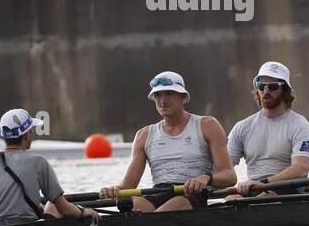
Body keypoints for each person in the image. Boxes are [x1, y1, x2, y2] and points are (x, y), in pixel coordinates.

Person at [100, 71, 235, 211]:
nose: (163, 100)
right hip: (157, 193)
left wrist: (206, 178)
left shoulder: (207, 125)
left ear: (183, 97)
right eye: (158, 95)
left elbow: (229, 176)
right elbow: (127, 186)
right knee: (132, 207)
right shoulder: (143, 135)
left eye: (169, 94)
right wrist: (115, 190)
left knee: (155, 217)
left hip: (191, 193)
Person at [0, 108, 99, 226]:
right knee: (53, 204)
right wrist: (83, 212)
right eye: (31, 129)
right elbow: (64, 209)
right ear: (26, 135)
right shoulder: (38, 162)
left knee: (45, 205)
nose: (33, 133)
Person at [226, 61, 309, 196]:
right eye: (261, 86)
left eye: (272, 87)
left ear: (285, 89)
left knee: (266, 196)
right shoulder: (242, 127)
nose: (266, 92)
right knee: (231, 199)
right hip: (254, 189)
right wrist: (203, 179)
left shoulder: (300, 125)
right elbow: (223, 169)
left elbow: (300, 170)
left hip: (289, 190)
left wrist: (264, 183)